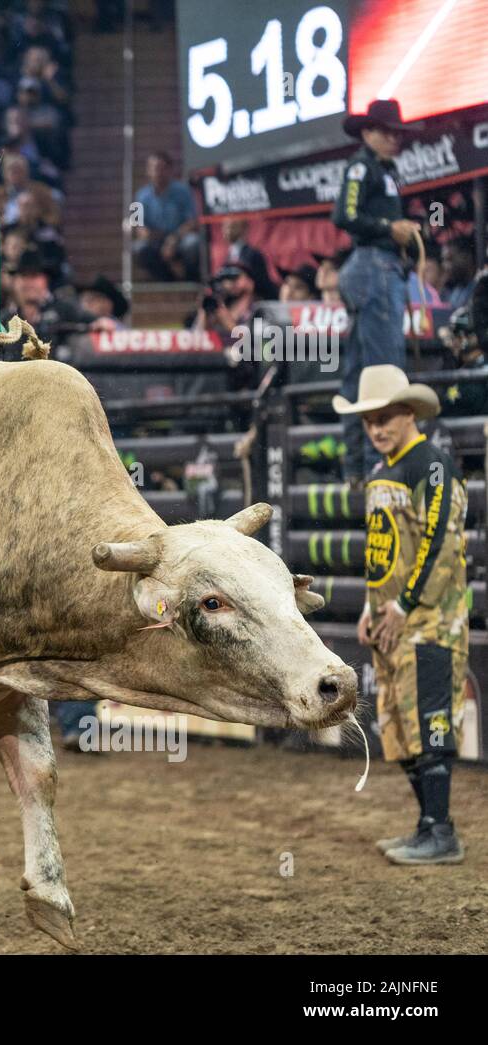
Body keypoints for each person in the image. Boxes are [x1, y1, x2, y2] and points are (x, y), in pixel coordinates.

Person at [333, 365, 467, 865]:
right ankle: (431, 827)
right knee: (401, 725)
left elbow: (439, 541)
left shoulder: (431, 465)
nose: (376, 428)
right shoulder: (382, 473)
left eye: (385, 418)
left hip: (431, 620)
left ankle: (441, 831)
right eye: (369, 421)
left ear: (409, 413)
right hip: (394, 621)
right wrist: (372, 607)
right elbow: (383, 551)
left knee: (428, 720)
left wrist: (404, 603)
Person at [331, 99, 424, 485]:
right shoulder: (362, 167)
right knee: (385, 366)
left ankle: (359, 465)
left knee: (359, 370)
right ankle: (381, 464)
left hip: (372, 268)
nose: (394, 139)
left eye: (396, 133)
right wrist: (390, 228)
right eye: (386, 132)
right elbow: (344, 215)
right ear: (367, 132)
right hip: (374, 267)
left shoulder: (384, 170)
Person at [131, 151, 200, 282]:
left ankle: (191, 281)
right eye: (154, 168)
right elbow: (137, 225)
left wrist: (173, 239)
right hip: (155, 240)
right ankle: (166, 280)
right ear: (148, 171)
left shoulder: (184, 191)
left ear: (170, 170)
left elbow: (192, 221)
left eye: (162, 168)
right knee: (138, 248)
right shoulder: (139, 195)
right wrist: (147, 234)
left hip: (179, 238)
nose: (158, 173)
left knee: (193, 243)